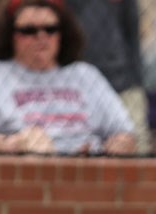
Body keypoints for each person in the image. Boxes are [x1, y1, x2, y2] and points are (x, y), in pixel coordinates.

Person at [0, 0, 136, 155]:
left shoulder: (84, 75)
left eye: (50, 29)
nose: (41, 37)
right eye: (29, 31)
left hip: (85, 172)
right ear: (10, 35)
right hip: (21, 172)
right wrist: (9, 143)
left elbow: (124, 132)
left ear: (62, 34)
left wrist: (109, 151)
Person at [64, 0, 150, 154]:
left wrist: (136, 81)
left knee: (136, 144)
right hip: (78, 81)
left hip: (122, 81)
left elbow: (132, 32)